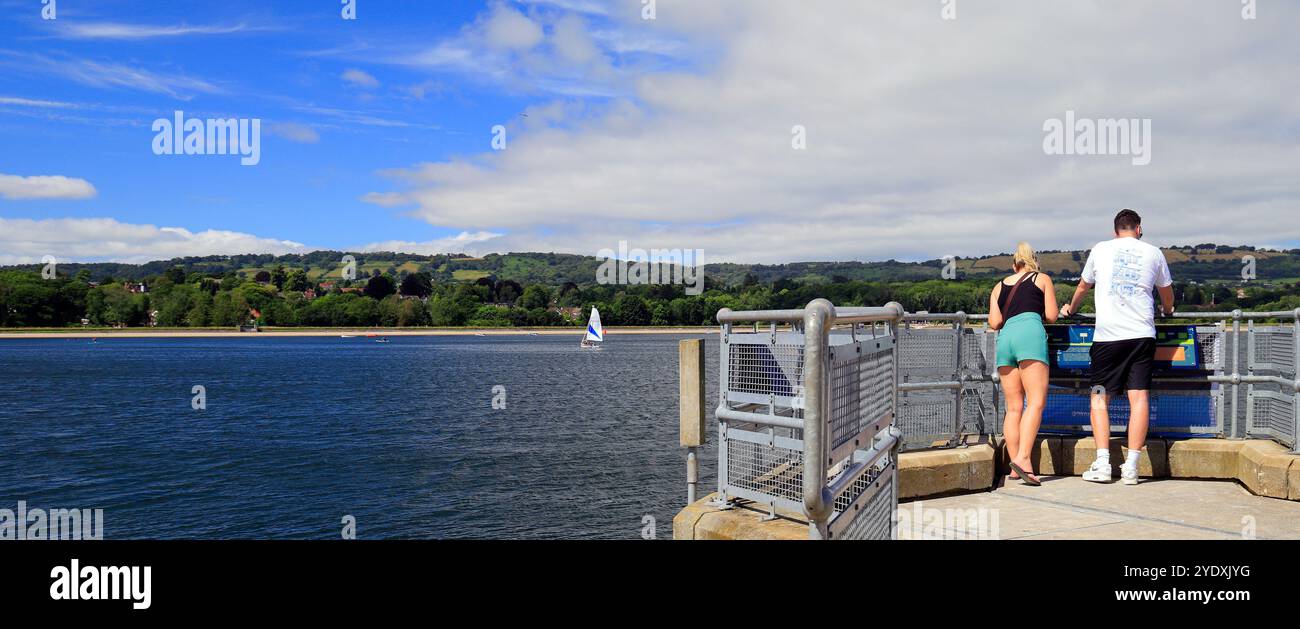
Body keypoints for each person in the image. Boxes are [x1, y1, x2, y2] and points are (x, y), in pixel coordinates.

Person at [1059, 209, 1175, 485]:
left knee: (1099, 397)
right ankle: (1132, 467)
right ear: (1139, 228)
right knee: (1139, 399)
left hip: (1107, 339)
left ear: (1115, 230)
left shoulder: (1100, 250)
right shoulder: (1153, 253)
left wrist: (1070, 309)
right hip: (1142, 336)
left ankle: (1102, 463)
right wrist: (1167, 310)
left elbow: (1082, 287)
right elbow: (1166, 293)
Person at [989, 242, 1058, 485]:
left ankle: (1013, 465)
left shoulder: (998, 286)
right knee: (1036, 402)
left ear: (1014, 264)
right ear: (1033, 261)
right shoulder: (1042, 279)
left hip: (1006, 339)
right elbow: (1051, 315)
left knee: (1014, 407)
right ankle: (1025, 459)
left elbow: (994, 321)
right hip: (1030, 335)